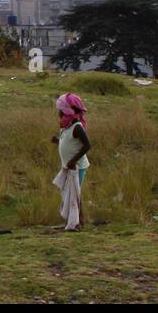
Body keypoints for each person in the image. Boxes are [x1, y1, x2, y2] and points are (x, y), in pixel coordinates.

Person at [51, 92, 92, 230]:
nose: (59, 113)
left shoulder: (77, 127)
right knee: (72, 195)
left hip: (78, 167)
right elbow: (69, 143)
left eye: (60, 110)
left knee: (74, 195)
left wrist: (73, 161)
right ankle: (77, 221)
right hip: (70, 167)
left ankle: (76, 223)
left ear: (66, 111)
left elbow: (87, 146)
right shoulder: (66, 126)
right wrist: (58, 141)